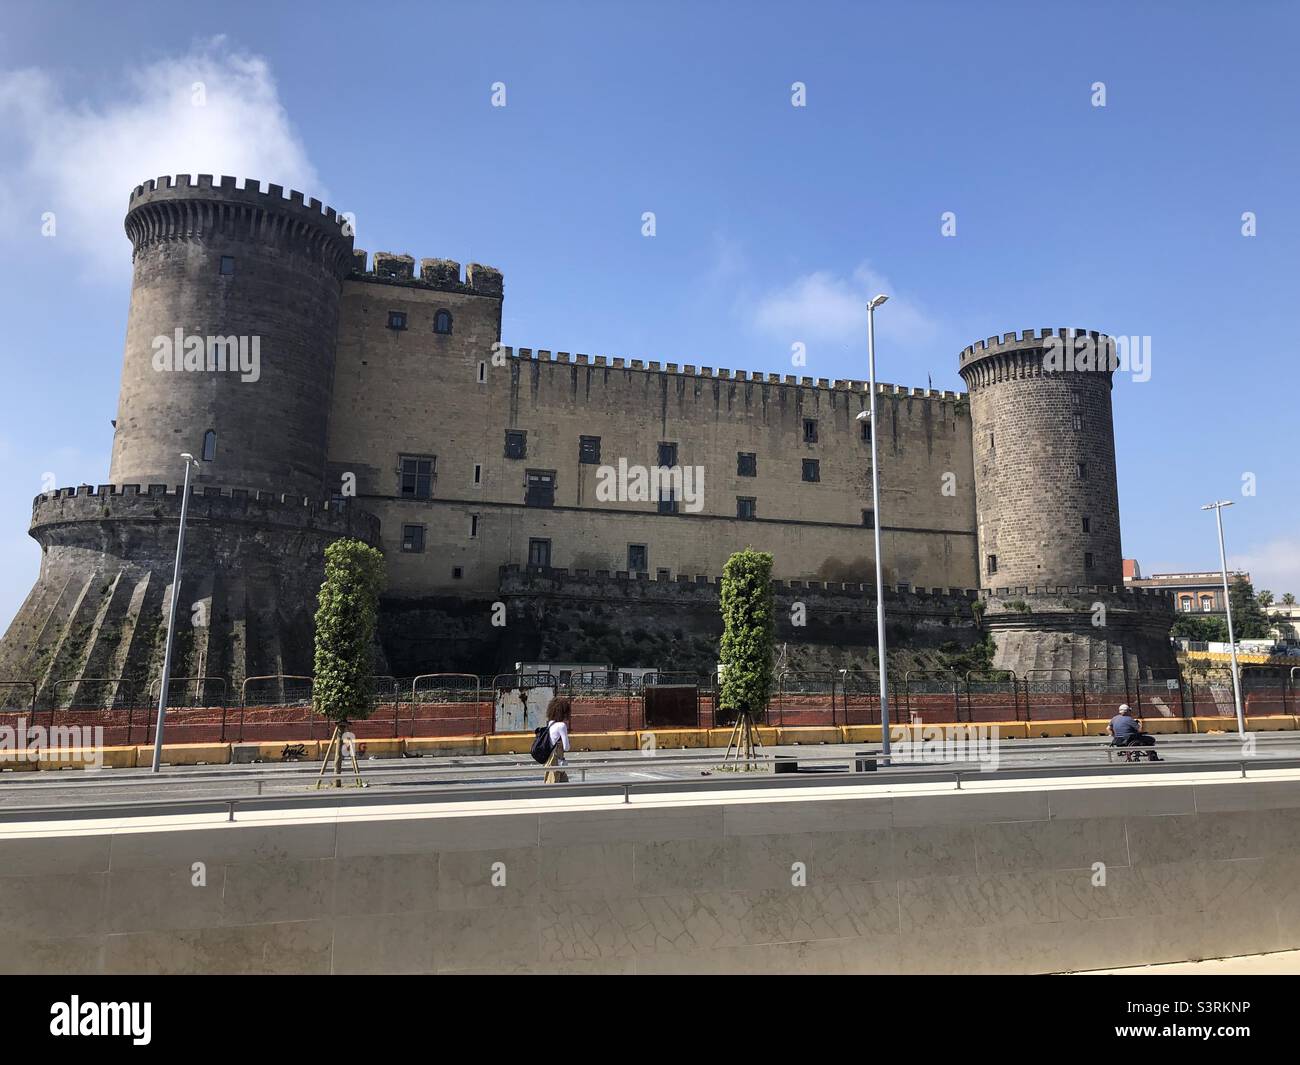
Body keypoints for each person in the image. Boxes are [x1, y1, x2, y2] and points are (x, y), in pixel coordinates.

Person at [543, 697, 572, 783]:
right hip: (557, 761)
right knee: (557, 785)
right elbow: (566, 748)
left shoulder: (550, 724)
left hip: (549, 760)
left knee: (553, 783)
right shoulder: (561, 726)